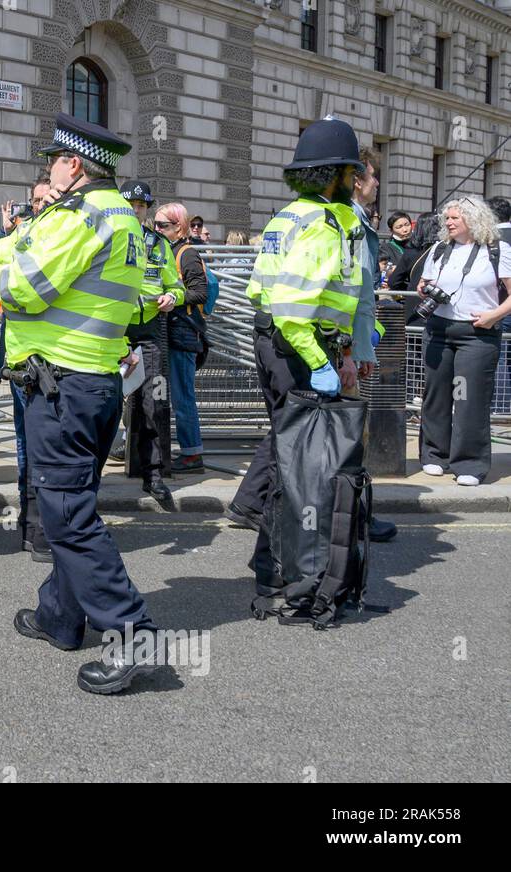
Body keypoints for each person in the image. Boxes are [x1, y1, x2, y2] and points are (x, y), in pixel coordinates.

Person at [0, 113, 164, 694]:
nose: (48, 167)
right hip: (95, 381)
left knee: (65, 511)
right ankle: (61, 616)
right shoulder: (123, 219)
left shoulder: (82, 214)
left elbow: (24, 288)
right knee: (70, 501)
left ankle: (133, 635)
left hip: (62, 384)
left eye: (53, 160)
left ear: (74, 165)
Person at [234, 117, 366, 604]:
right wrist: (323, 362)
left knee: (288, 449)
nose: (355, 181)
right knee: (297, 462)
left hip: (273, 344)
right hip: (297, 349)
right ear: (336, 174)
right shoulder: (326, 226)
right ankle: (275, 565)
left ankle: (270, 559)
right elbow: (294, 312)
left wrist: (350, 330)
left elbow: (261, 290)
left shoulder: (286, 216)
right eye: (352, 173)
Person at [0, 172, 53, 562]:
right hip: (22, 368)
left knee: (46, 452)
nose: (39, 207)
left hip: (59, 367)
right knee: (25, 447)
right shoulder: (19, 239)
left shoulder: (62, 238)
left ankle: (42, 529)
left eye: (45, 199)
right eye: (35, 201)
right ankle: (29, 524)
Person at [416, 196, 511, 486]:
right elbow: (426, 283)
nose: (448, 223)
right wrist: (424, 289)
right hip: (438, 329)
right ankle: (434, 455)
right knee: (436, 395)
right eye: (447, 219)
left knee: (468, 398)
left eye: (454, 218)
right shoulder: (440, 249)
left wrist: (494, 316)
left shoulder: (498, 250)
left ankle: (470, 463)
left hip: (477, 333)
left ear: (473, 219)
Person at [118, 180, 182, 501]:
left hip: (149, 333)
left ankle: (153, 475)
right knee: (102, 401)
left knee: (153, 403)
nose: (136, 210)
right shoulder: (112, 238)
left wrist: (172, 295)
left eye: (141, 206)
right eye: (131, 205)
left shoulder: (159, 244)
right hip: (114, 330)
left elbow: (177, 286)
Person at [349, 148, 398, 541]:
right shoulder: (349, 221)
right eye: (372, 176)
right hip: (342, 352)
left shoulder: (356, 220)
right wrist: (357, 350)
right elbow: (353, 293)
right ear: (356, 181)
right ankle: (353, 519)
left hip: (347, 349)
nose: (377, 183)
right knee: (351, 440)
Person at [157, 202, 209, 473]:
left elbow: (200, 293)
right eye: (154, 225)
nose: (156, 230)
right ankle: (185, 452)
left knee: (182, 396)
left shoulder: (186, 254)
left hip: (183, 334)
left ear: (179, 226)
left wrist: (173, 298)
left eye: (162, 225)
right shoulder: (169, 251)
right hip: (172, 334)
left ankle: (192, 454)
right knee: (171, 396)